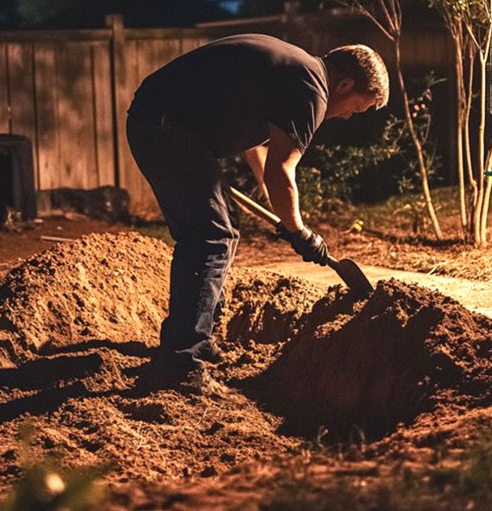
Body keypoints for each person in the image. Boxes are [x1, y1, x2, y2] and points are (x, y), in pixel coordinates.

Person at [125, 33, 388, 394]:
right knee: (210, 236)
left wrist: (273, 199)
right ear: (344, 84)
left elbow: (257, 148)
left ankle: (195, 341)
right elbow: (284, 171)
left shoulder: (297, 70)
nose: (344, 117)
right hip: (167, 126)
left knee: (222, 229)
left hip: (163, 121)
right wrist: (300, 232)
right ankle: (179, 363)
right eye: (354, 108)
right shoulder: (312, 88)